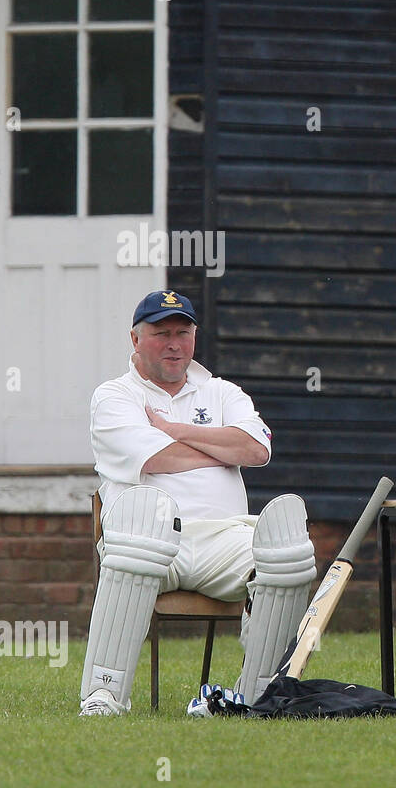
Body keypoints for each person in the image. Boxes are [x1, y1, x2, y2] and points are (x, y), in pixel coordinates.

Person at [80, 290, 317, 715]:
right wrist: (222, 449)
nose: (174, 343)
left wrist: (174, 428)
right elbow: (158, 458)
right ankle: (105, 695)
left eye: (183, 332)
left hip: (223, 540)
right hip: (148, 542)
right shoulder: (113, 396)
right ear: (135, 339)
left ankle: (259, 697)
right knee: (140, 531)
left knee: (288, 555)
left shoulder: (223, 392)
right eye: (161, 333)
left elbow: (257, 450)